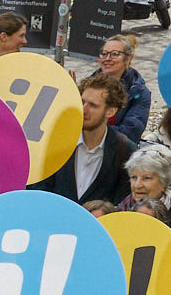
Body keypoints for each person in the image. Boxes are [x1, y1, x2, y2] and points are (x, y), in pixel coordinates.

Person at [40, 76, 131, 205]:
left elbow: (123, 203)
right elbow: (39, 190)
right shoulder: (58, 141)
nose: (83, 109)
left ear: (110, 111)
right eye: (82, 102)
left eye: (92, 105)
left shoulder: (124, 150)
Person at [93, 35, 149, 141]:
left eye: (115, 54)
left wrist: (90, 128)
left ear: (128, 58)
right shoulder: (90, 84)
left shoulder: (138, 92)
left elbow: (130, 134)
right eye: (104, 54)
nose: (107, 59)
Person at [118, 144, 171, 230]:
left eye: (146, 178)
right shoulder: (119, 212)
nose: (137, 185)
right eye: (134, 177)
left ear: (164, 182)